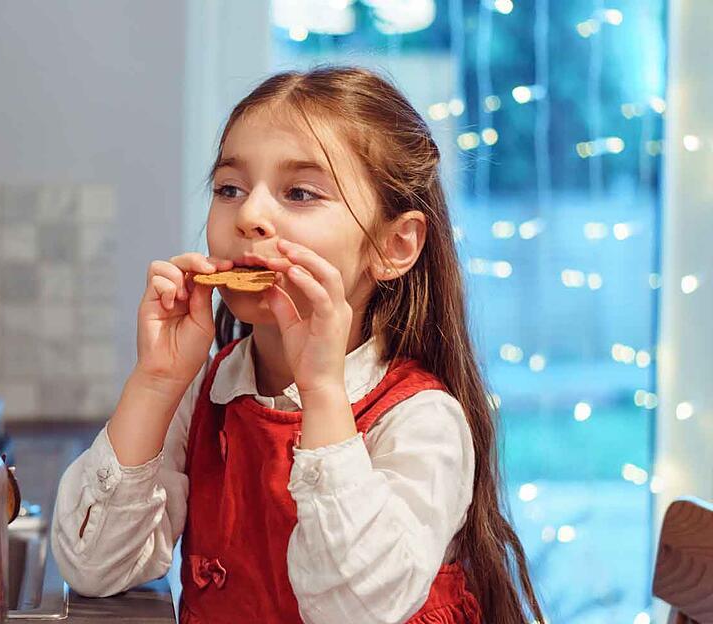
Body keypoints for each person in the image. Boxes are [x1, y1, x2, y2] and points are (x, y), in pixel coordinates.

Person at [51, 67, 544, 624]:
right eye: (229, 189)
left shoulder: (421, 419)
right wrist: (156, 382)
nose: (251, 216)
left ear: (394, 245)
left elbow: (353, 609)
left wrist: (322, 389)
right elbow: (93, 566)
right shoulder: (207, 392)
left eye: (300, 194)